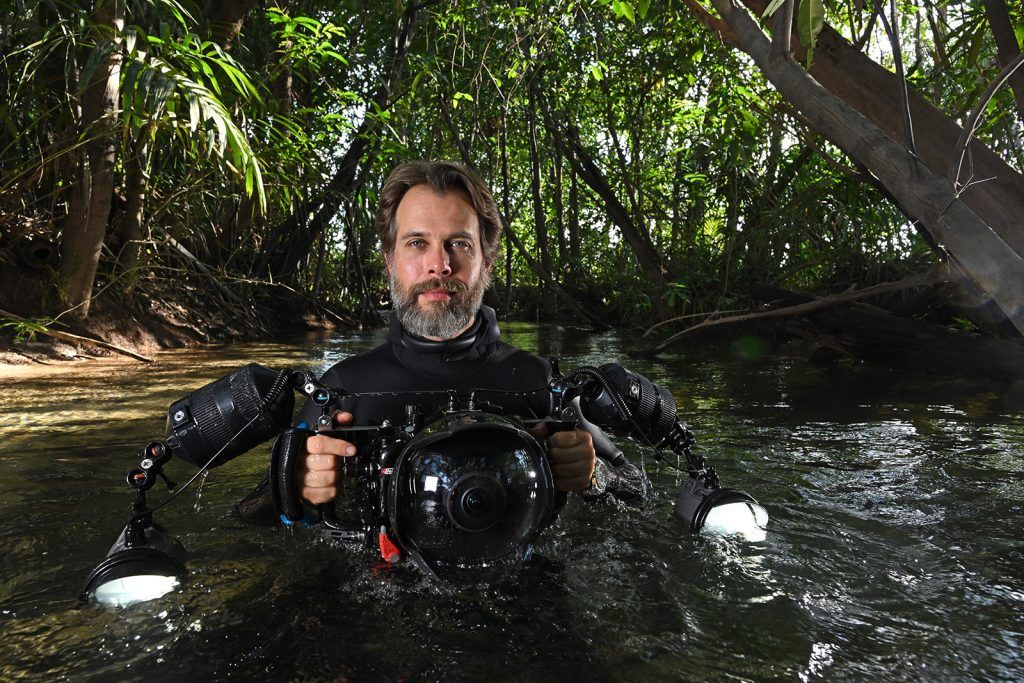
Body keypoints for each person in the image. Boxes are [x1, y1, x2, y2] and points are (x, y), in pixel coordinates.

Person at [239, 161, 647, 526]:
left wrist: (595, 476)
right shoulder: (343, 390)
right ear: (389, 261)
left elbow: (637, 491)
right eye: (417, 243)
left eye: (459, 244)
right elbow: (246, 517)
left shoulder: (542, 385)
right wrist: (294, 489)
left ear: (486, 262)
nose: (440, 264)